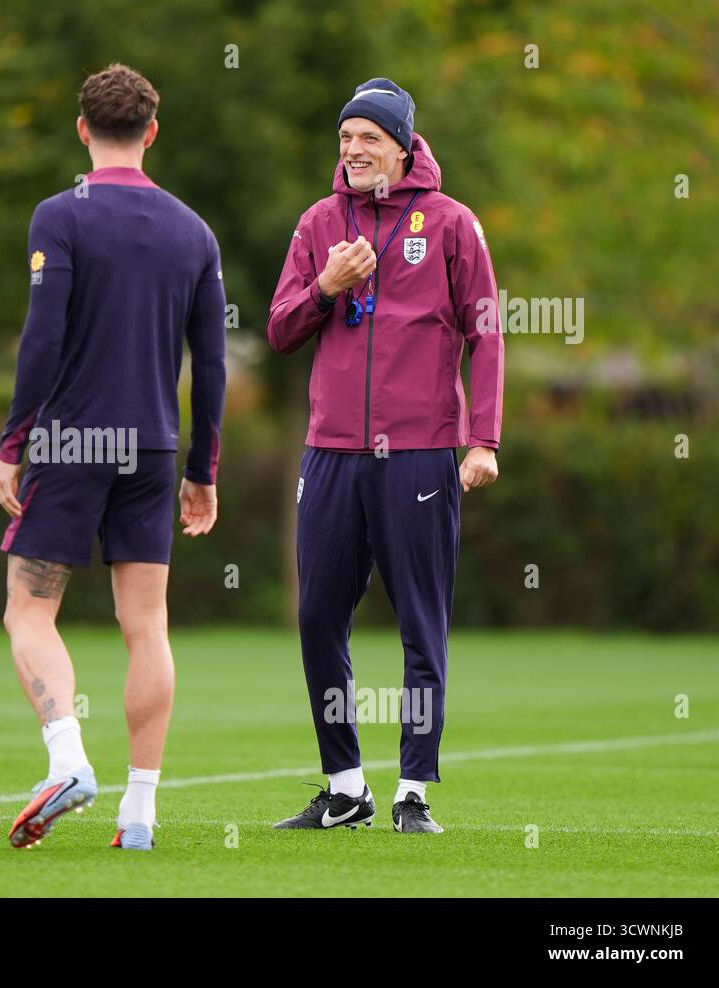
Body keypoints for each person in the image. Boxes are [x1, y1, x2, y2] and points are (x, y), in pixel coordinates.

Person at [0, 64, 227, 852]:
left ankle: (66, 759)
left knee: (29, 609)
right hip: (156, 445)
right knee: (146, 626)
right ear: (152, 131)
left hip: (70, 438)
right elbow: (214, 363)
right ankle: (141, 814)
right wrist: (205, 468)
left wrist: (13, 442)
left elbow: (43, 338)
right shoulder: (194, 230)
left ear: (82, 128)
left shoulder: (60, 216)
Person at [266, 78, 503, 834]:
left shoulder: (452, 224)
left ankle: (412, 792)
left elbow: (487, 333)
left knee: (419, 623)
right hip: (331, 450)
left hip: (422, 451)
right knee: (316, 616)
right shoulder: (317, 223)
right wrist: (327, 287)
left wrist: (484, 438)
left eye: (368, 137)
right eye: (344, 139)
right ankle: (345, 787)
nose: (353, 151)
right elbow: (278, 329)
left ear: (403, 145)